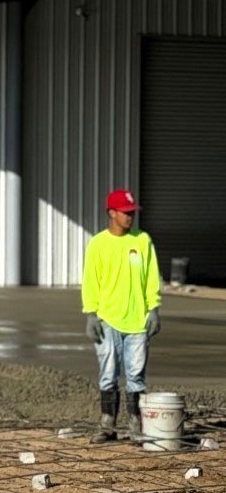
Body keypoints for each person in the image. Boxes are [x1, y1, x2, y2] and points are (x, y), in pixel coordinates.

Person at [82, 189, 162, 443]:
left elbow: (151, 277)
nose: (130, 217)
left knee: (136, 376)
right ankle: (107, 424)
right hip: (107, 320)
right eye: (125, 212)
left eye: (132, 213)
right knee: (108, 373)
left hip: (138, 322)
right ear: (111, 213)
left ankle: (135, 425)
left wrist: (154, 309)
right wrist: (91, 314)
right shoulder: (98, 244)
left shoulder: (142, 241)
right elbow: (90, 281)